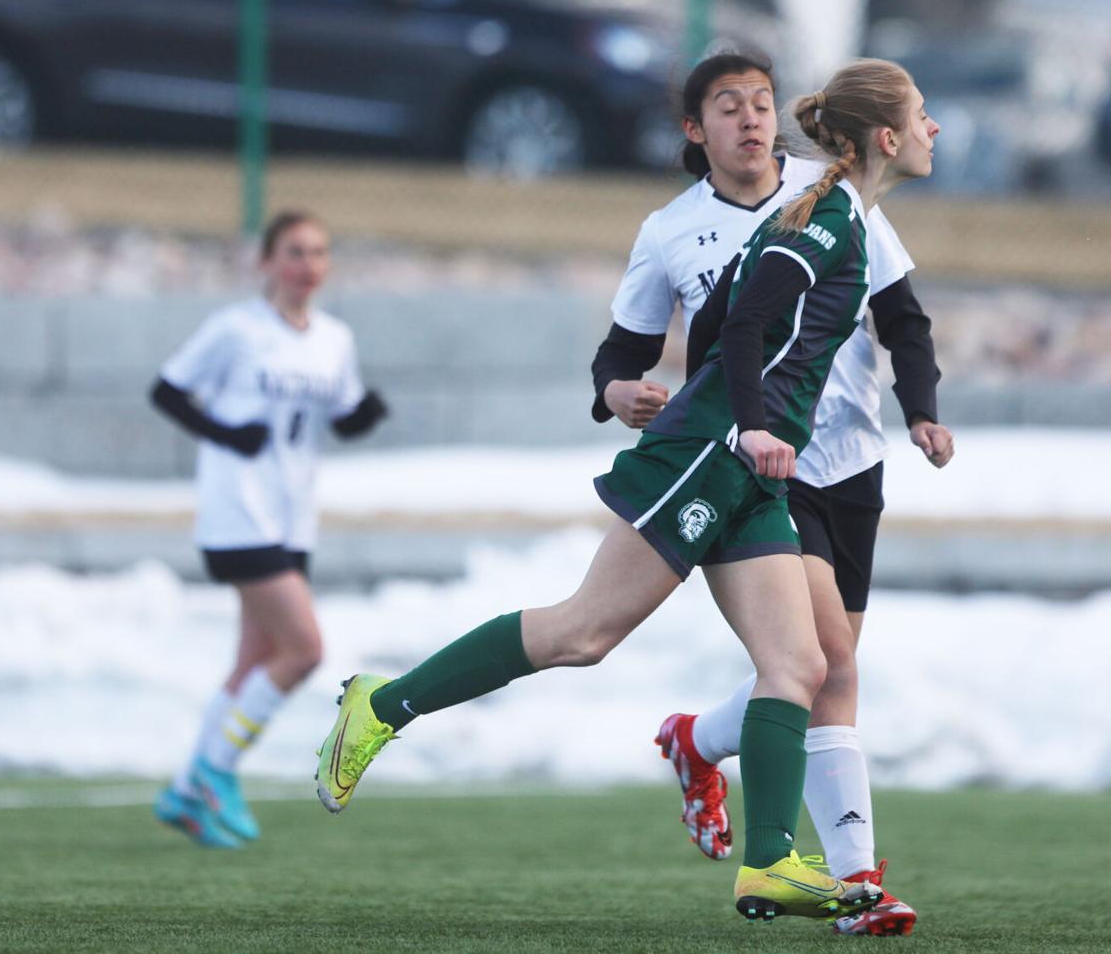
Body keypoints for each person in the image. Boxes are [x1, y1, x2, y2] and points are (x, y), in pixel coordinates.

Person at [314, 58, 937, 925]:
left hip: (756, 467)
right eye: (922, 114)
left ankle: (768, 863)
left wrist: (773, 418)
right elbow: (745, 324)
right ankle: (380, 706)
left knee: (800, 667)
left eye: (762, 104)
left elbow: (730, 314)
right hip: (714, 455)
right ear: (888, 137)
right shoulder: (823, 220)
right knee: (583, 633)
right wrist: (738, 419)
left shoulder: (835, 212)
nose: (934, 129)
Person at [591, 50, 953, 936]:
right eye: (729, 106)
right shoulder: (673, 230)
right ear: (695, 129)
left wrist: (921, 411)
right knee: (825, 664)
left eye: (762, 102)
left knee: (822, 671)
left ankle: (698, 740)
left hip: (849, 462)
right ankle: (857, 881)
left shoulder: (832, 196)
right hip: (763, 467)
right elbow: (648, 348)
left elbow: (902, 318)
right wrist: (621, 393)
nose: (752, 118)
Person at [150, 210, 387, 848]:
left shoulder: (334, 338)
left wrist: (367, 414)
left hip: (292, 520)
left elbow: (341, 416)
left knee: (254, 662)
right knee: (304, 650)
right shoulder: (237, 329)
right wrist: (226, 433)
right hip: (237, 513)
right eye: (294, 252)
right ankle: (215, 769)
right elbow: (167, 391)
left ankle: (183, 793)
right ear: (266, 262)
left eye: (318, 253)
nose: (308, 265)